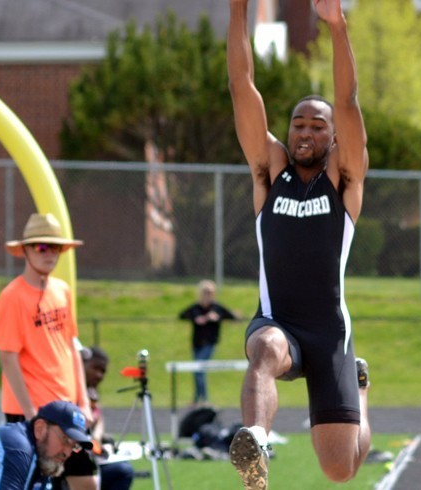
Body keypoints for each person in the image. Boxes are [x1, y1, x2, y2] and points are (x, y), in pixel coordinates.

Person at [226, 0, 372, 487]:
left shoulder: (344, 179)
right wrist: (238, 10)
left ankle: (360, 390)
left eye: (317, 126)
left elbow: (348, 102)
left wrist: (336, 26)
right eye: (298, 124)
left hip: (328, 334)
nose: (305, 132)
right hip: (279, 322)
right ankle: (256, 444)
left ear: (333, 138)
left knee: (339, 469)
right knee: (264, 349)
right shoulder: (270, 172)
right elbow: (241, 85)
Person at [0, 213, 94, 489]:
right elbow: (8, 357)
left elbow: (72, 347)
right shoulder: (12, 296)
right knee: (33, 484)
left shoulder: (62, 290)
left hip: (67, 408)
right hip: (31, 412)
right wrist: (31, 414)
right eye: (41, 246)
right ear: (25, 250)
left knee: (86, 482)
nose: (49, 253)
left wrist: (84, 402)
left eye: (55, 247)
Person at [76, 343, 134, 490]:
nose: (99, 375)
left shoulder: (91, 391)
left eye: (103, 371)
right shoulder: (73, 391)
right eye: (95, 368)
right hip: (74, 458)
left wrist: (97, 437)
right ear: (82, 364)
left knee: (123, 468)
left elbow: (98, 418)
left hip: (91, 455)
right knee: (123, 472)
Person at [178, 280, 238, 405]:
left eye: (210, 292)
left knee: (200, 369)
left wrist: (217, 317)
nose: (208, 295)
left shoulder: (216, 308)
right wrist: (195, 318)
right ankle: (196, 400)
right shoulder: (196, 308)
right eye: (205, 292)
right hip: (197, 343)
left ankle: (204, 400)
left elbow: (232, 316)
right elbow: (182, 315)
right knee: (197, 371)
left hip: (210, 343)